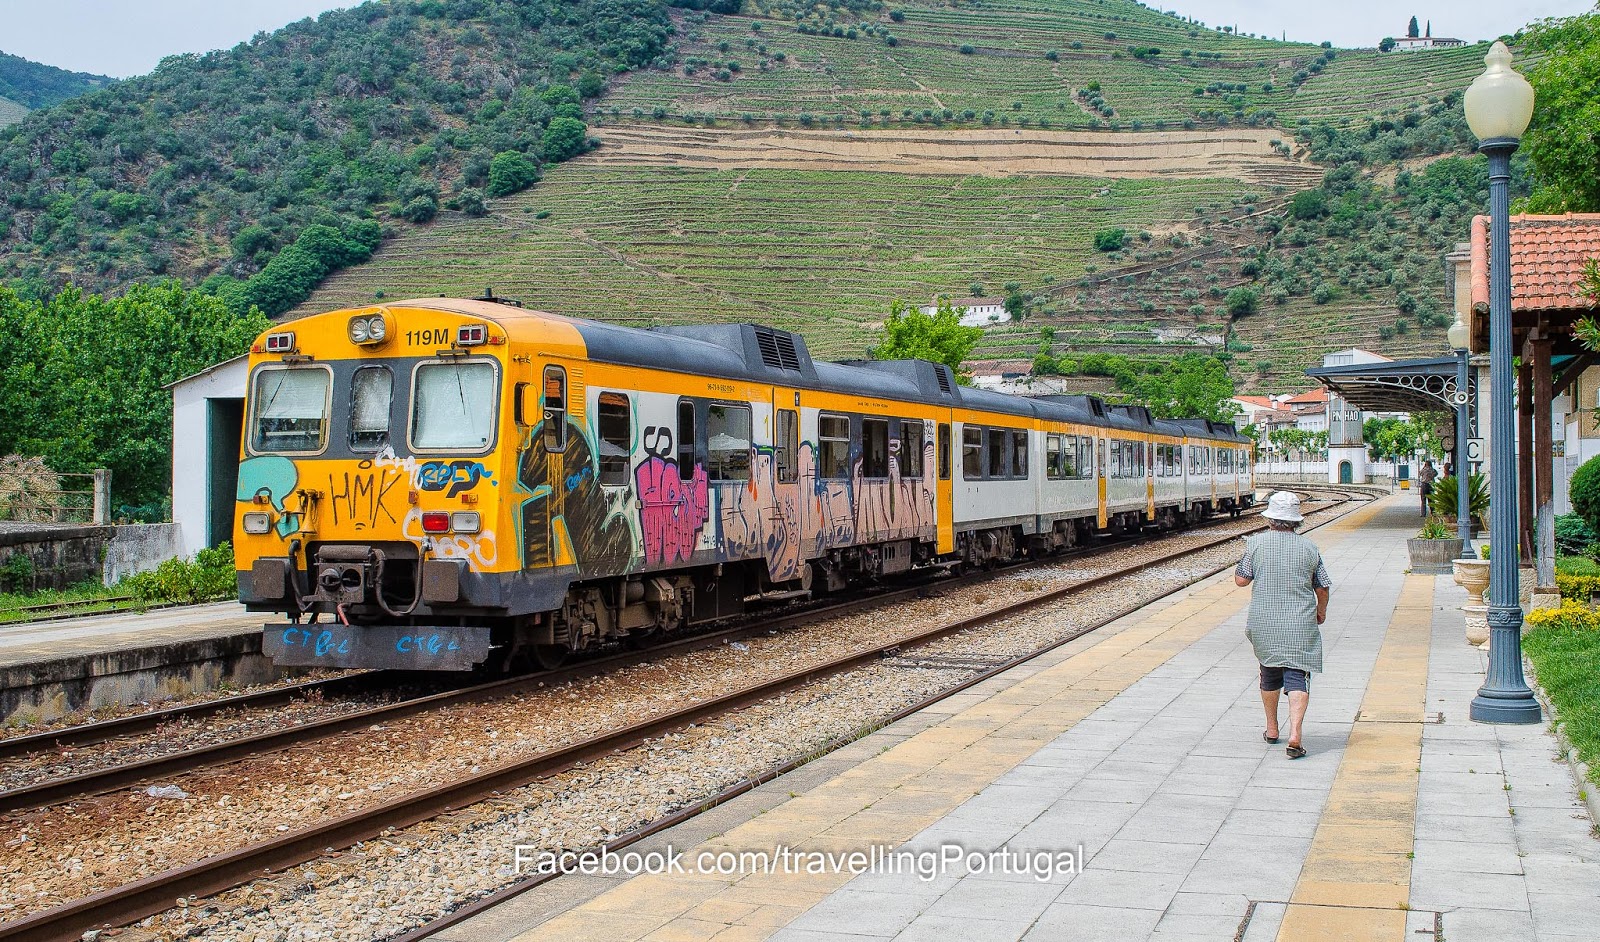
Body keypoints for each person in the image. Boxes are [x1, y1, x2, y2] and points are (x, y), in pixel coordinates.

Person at [1234, 491, 1331, 759]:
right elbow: (1322, 587)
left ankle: (1272, 729)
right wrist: (1321, 612)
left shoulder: (1255, 544)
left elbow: (1241, 580)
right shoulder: (1310, 548)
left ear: (1270, 519)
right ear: (1296, 521)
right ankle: (1296, 734)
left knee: (1269, 672)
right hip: (1299, 622)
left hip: (1264, 621)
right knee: (1297, 675)